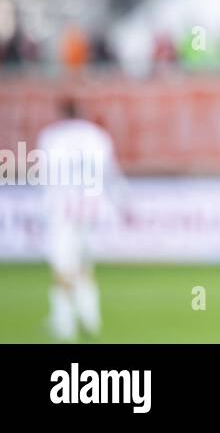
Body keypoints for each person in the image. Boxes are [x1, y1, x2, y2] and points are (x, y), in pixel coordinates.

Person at [37, 98, 126, 341]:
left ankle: (63, 323)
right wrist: (121, 201)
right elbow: (111, 173)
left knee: (63, 268)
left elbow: (45, 176)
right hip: (93, 209)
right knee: (85, 267)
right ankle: (90, 318)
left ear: (61, 113)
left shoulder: (51, 136)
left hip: (62, 209)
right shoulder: (97, 136)